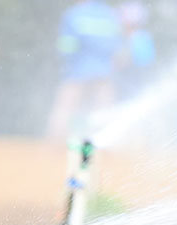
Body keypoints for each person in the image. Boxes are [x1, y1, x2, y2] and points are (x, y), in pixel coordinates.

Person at [45, 0, 123, 141]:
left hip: (78, 70)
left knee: (64, 109)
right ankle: (102, 147)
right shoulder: (110, 15)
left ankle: (53, 147)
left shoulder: (73, 14)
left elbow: (66, 46)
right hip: (103, 73)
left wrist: (65, 60)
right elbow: (116, 48)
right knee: (104, 111)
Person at [116, 2, 156, 100]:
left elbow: (124, 61)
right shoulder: (144, 37)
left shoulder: (135, 39)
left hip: (134, 76)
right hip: (138, 75)